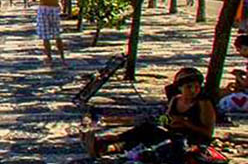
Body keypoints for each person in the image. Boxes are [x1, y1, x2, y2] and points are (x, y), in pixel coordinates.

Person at [83, 68, 215, 158]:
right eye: (189, 87)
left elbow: (207, 133)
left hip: (192, 139)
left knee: (160, 143)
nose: (193, 90)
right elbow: (165, 119)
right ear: (180, 88)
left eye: (197, 87)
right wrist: (168, 121)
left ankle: (106, 146)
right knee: (146, 130)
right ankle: (105, 145)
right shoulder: (176, 100)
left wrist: (185, 123)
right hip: (175, 132)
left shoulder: (203, 104)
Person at [31, 0, 66, 65]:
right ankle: (62, 58)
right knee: (57, 34)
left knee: (45, 36)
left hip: (44, 9)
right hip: (55, 9)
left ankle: (49, 58)